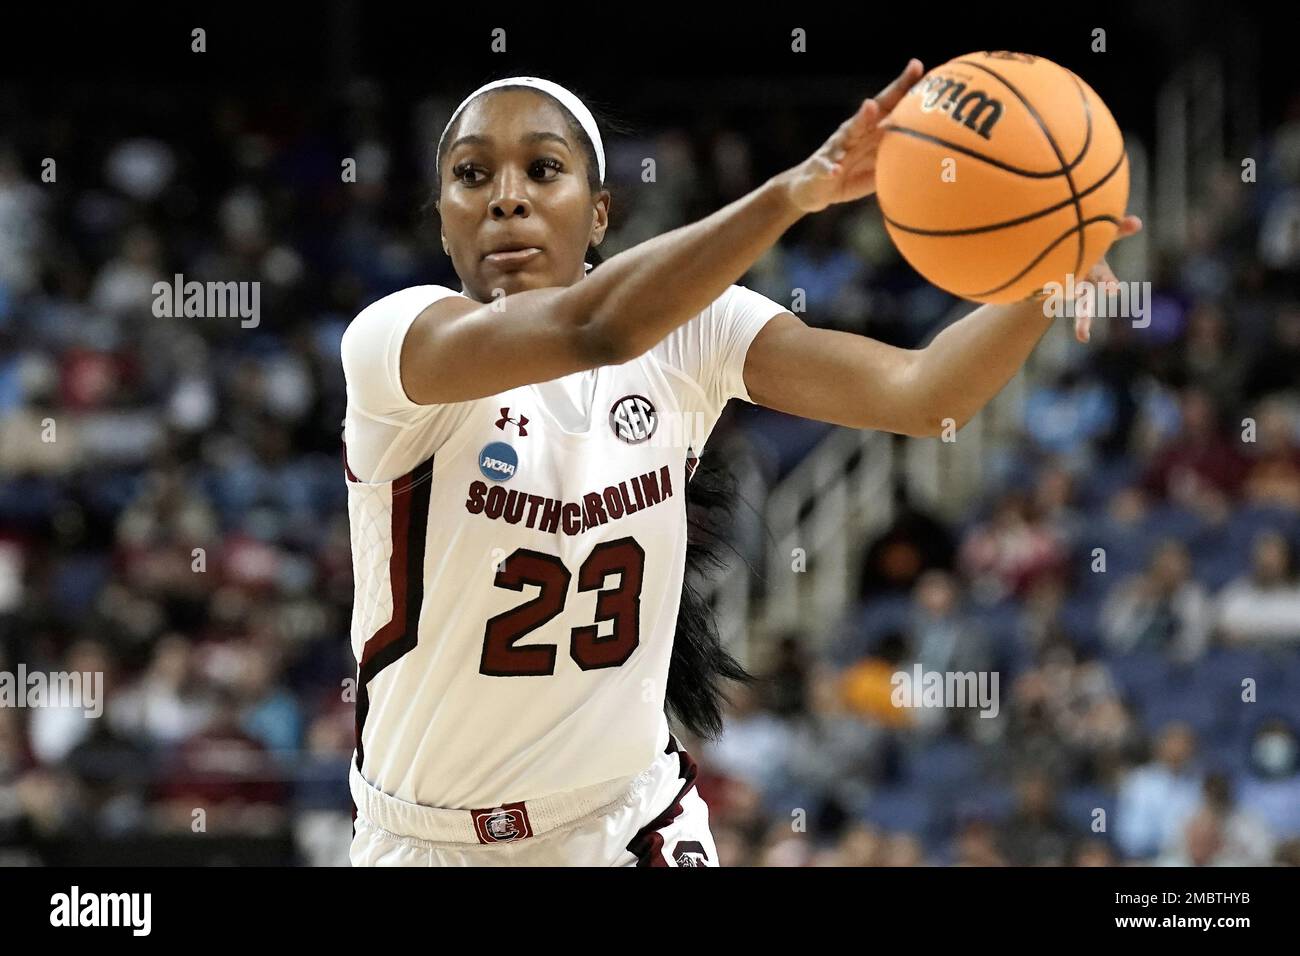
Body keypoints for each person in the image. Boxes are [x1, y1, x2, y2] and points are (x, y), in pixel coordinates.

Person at [341, 72, 1141, 866]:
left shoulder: (691, 332)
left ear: (599, 215)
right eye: (472, 175)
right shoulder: (393, 346)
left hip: (627, 822)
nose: (506, 198)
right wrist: (789, 195)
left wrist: (1044, 276)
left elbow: (924, 396)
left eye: (544, 169)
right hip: (426, 842)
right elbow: (598, 327)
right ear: (443, 224)